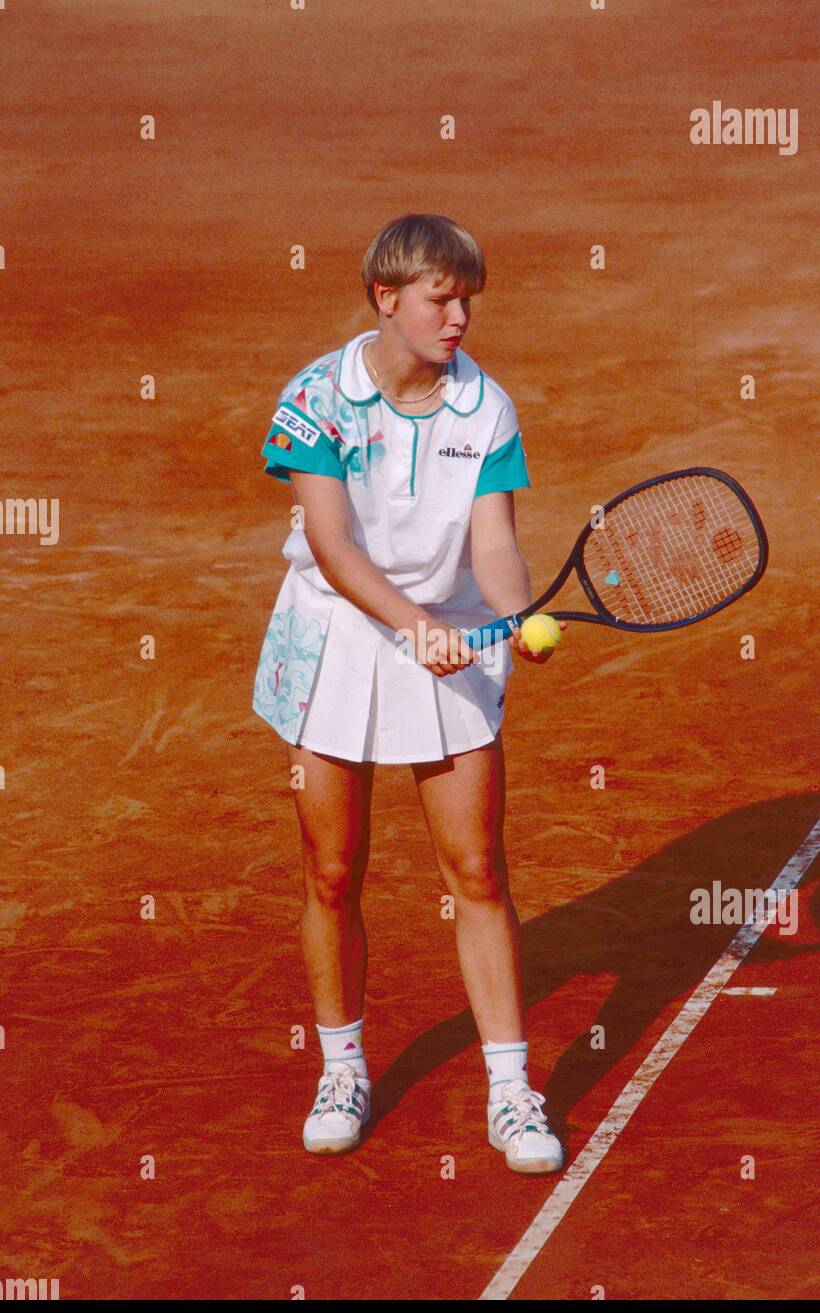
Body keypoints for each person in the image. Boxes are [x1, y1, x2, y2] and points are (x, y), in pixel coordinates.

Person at [252, 213, 566, 1173]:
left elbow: (494, 545)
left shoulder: (487, 408)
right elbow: (335, 547)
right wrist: (409, 626)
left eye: (467, 297)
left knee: (476, 871)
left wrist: (515, 611)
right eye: (440, 297)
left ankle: (511, 1091)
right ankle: (341, 1067)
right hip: (339, 641)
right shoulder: (317, 398)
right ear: (387, 298)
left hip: (452, 644)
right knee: (333, 872)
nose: (459, 315)